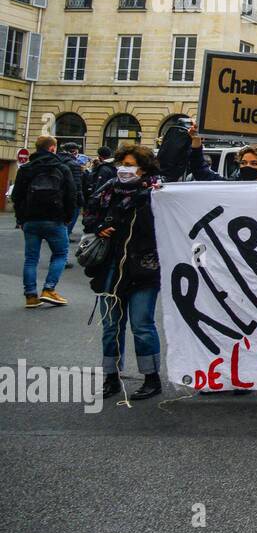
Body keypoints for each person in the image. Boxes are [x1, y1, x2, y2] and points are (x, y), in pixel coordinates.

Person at [82, 143, 165, 401]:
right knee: (110, 326)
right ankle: (111, 377)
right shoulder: (108, 191)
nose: (123, 169)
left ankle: (151, 378)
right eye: (122, 164)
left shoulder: (156, 193)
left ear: (143, 169)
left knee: (142, 325)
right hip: (110, 269)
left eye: (129, 165)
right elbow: (89, 215)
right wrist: (98, 226)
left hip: (144, 269)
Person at [12, 135, 78, 308]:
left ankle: (30, 296)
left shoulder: (26, 169)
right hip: (55, 218)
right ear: (52, 148)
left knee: (31, 258)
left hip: (31, 220)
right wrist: (68, 217)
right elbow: (71, 195)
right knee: (60, 254)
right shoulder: (62, 168)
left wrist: (21, 218)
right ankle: (49, 289)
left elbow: (16, 196)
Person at [57, 142, 86, 235]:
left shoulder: (56, 160)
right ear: (75, 152)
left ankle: (59, 232)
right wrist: (81, 199)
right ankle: (66, 234)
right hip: (70, 195)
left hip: (57, 194)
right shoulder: (74, 164)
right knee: (73, 215)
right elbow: (77, 183)